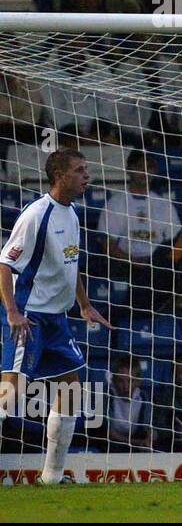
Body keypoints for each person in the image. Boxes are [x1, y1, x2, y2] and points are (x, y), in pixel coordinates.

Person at [0, 149, 112, 483]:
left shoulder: (73, 213)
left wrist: (85, 303)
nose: (86, 176)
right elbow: (4, 264)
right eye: (80, 170)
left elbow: (69, 263)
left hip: (58, 320)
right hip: (30, 318)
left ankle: (52, 476)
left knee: (70, 390)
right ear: (60, 175)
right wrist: (12, 312)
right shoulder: (36, 215)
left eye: (86, 169)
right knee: (9, 395)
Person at [100, 149, 182, 316]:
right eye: (140, 167)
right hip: (125, 264)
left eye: (150, 167)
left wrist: (156, 260)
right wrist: (134, 261)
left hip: (158, 265)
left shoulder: (164, 205)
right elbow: (107, 245)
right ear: (130, 169)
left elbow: (178, 241)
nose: (145, 172)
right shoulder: (116, 203)